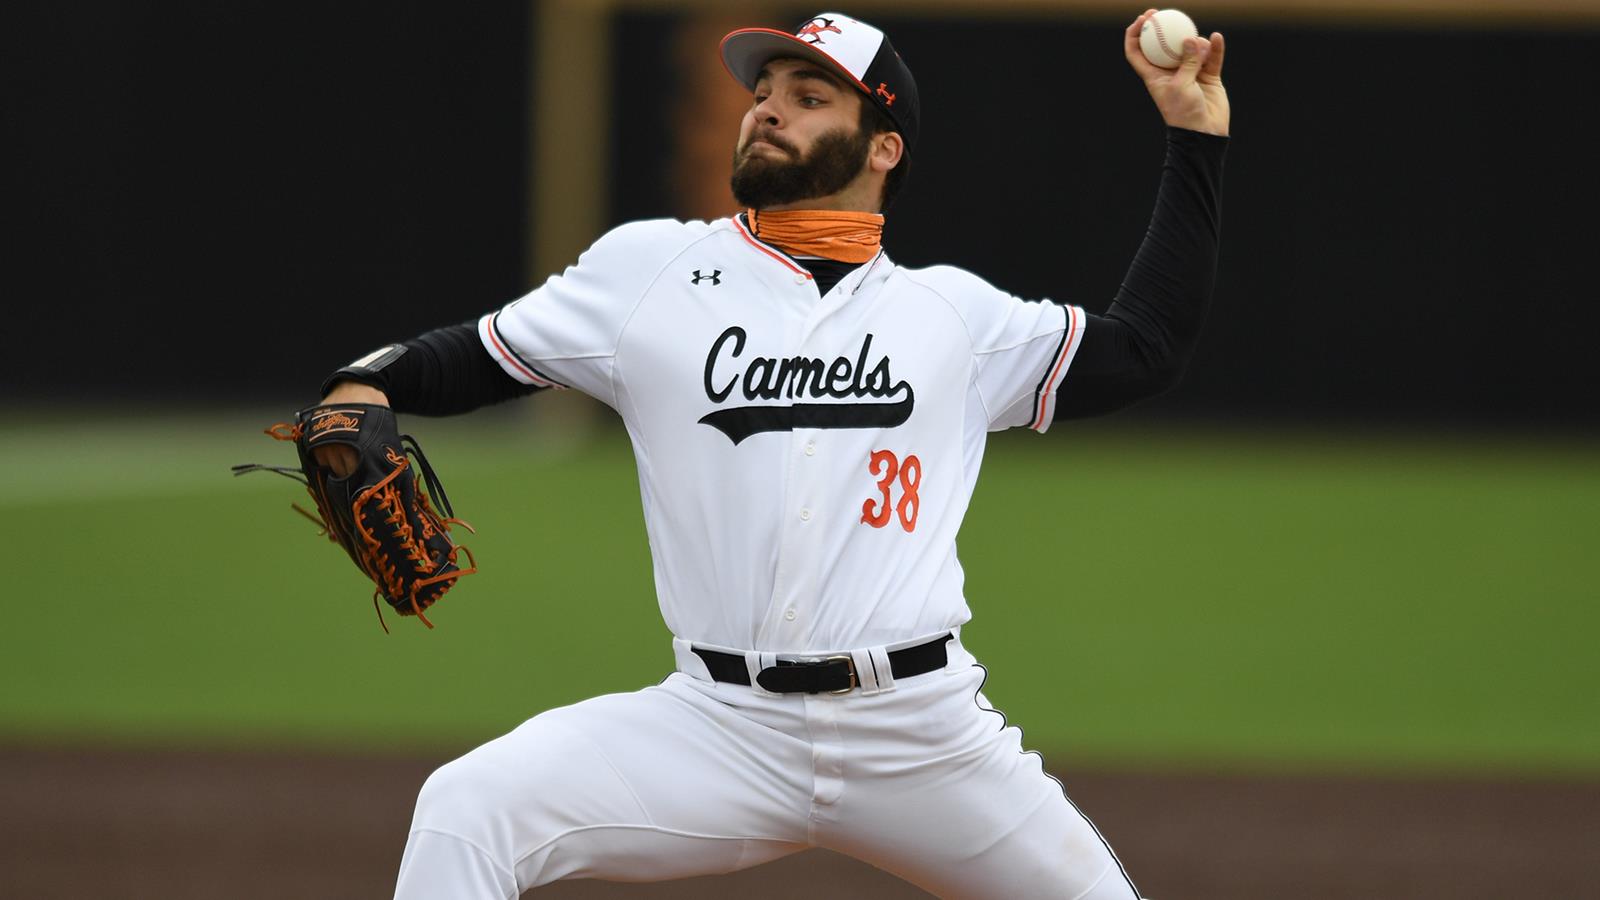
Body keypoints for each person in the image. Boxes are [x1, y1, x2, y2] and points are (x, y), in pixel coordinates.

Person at [317, 9, 1228, 898]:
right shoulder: (652, 274)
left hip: (921, 734)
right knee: (468, 808)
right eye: (764, 90)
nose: (768, 107)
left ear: (884, 146)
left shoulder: (955, 316)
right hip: (717, 725)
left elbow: (1145, 348)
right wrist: (362, 382)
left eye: (810, 94)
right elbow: (468, 357)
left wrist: (1194, 139)